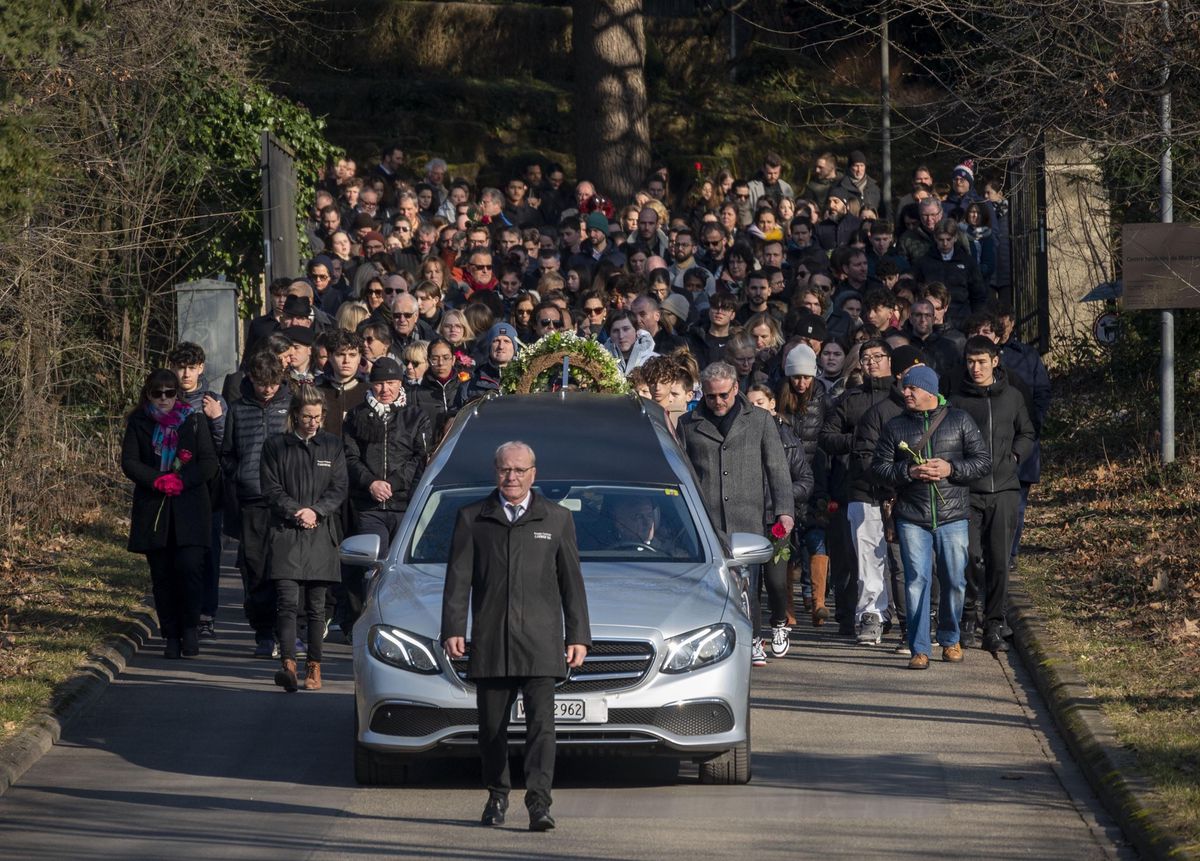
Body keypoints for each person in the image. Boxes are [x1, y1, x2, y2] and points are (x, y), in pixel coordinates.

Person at [441, 441, 591, 832]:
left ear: (533, 474)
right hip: (491, 641)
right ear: (495, 471)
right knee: (491, 730)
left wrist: (578, 635)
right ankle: (497, 796)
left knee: (542, 728)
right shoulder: (473, 517)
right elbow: (457, 579)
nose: (512, 477)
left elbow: (571, 583)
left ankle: (539, 804)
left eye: (520, 470)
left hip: (541, 642)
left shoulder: (556, 519)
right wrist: (453, 628)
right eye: (505, 470)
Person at [871, 365, 990, 669]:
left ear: (928, 390)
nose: (905, 393)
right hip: (912, 516)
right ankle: (919, 647)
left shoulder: (960, 420)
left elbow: (982, 462)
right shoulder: (895, 427)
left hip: (953, 516)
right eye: (904, 388)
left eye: (912, 388)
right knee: (916, 582)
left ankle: (950, 639)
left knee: (954, 580)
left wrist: (951, 469)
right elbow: (878, 469)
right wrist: (908, 472)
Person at [676, 362, 793, 667]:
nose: (718, 402)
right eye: (712, 396)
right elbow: (683, 475)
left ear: (736, 388)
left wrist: (784, 511)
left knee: (748, 586)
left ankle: (753, 639)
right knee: (710, 586)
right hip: (707, 520)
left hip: (748, 516)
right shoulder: (689, 423)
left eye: (724, 395)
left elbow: (777, 467)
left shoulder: (760, 420)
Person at [121, 369, 218, 658]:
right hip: (155, 508)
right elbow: (129, 461)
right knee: (162, 576)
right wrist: (156, 479)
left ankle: (190, 627)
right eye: (157, 393)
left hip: (190, 508)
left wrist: (182, 480)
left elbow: (209, 463)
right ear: (148, 394)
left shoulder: (194, 420)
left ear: (177, 393)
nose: (164, 399)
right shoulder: (139, 421)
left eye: (169, 393)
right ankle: (171, 633)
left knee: (190, 569)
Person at [259, 386, 348, 692]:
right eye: (307, 416)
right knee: (286, 602)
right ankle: (288, 664)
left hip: (321, 533)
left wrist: (317, 511)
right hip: (286, 533)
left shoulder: (332, 446)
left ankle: (314, 666)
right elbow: (270, 488)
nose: (313, 422)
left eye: (318, 417)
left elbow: (338, 488)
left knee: (316, 607)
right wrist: (297, 511)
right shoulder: (275, 446)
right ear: (295, 414)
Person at [951, 336, 1035, 652]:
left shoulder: (1012, 397)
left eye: (982, 361)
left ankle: (994, 624)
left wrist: (1015, 455)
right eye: (971, 362)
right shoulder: (957, 400)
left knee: (999, 560)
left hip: (1004, 490)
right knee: (969, 556)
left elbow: (1027, 431)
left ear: (995, 361)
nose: (976, 368)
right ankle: (968, 616)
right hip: (967, 491)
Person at [222, 351, 293, 658]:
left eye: (273, 383)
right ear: (250, 378)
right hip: (251, 501)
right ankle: (264, 632)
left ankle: (288, 632)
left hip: (287, 501)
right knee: (256, 569)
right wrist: (239, 476)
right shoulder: (237, 410)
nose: (268, 389)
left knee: (288, 569)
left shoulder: (292, 405)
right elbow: (227, 453)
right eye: (262, 383)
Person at [167, 342, 227, 640]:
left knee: (208, 552)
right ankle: (180, 612)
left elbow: (223, 447)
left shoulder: (212, 401)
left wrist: (216, 419)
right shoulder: (164, 399)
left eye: (191, 367)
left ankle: (206, 613)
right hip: (171, 488)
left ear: (201, 368)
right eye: (180, 367)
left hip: (206, 490)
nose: (186, 373)